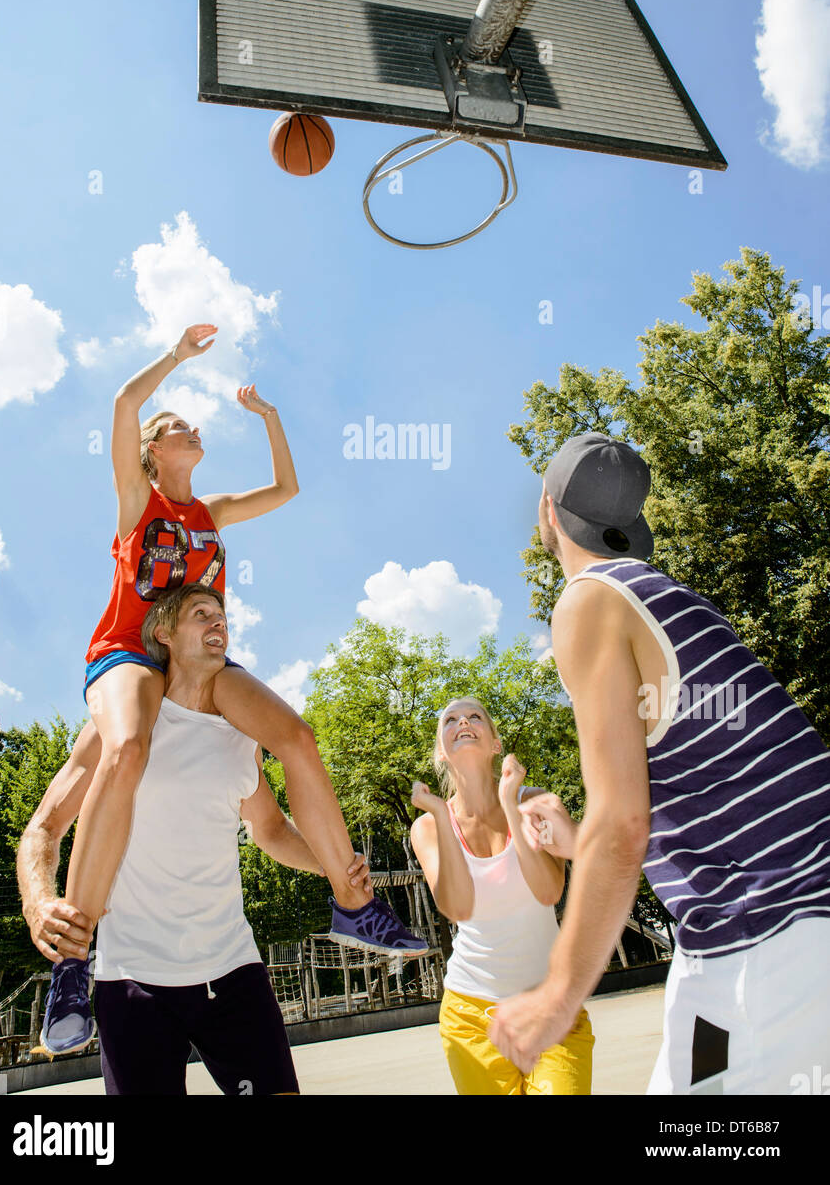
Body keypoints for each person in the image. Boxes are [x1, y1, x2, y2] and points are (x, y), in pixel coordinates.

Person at [41, 323, 426, 1051]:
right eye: (175, 426)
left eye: (193, 424)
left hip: (204, 663)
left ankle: (352, 905)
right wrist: (177, 357)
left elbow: (286, 488)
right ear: (154, 452)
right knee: (126, 751)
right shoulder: (138, 504)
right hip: (130, 652)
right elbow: (125, 402)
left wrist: (270, 418)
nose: (190, 427)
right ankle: (73, 962)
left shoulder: (208, 515)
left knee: (295, 736)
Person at [488, 432, 830, 1095]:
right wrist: (577, 845)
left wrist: (559, 991)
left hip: (769, 939)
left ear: (547, 515)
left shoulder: (587, 601)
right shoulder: (672, 600)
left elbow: (622, 825)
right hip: (756, 937)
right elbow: (713, 782)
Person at [18, 583, 376, 1093]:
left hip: (231, 973)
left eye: (222, 615)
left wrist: (335, 866)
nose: (219, 623)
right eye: (200, 613)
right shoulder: (117, 731)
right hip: (131, 979)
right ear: (162, 632)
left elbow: (270, 830)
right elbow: (44, 828)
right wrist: (38, 902)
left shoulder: (240, 737)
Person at [410, 697, 594, 1095]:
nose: (464, 722)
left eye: (476, 716)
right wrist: (442, 816)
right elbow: (458, 907)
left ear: (495, 743)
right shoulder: (426, 827)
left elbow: (549, 892)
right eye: (451, 720)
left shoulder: (534, 801)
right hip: (471, 1016)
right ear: (442, 751)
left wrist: (511, 804)